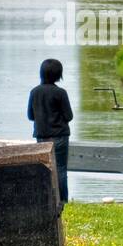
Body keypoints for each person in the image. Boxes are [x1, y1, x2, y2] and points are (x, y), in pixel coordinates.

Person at [27, 58, 74, 206]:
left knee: (45, 169)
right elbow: (69, 116)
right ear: (59, 75)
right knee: (60, 169)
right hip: (60, 136)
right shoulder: (60, 93)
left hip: (41, 137)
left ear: (41, 73)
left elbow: (30, 116)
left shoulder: (34, 92)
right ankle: (63, 201)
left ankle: (46, 200)